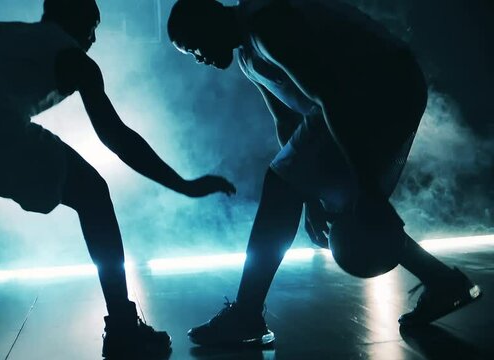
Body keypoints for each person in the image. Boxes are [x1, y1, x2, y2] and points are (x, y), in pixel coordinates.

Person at [0, 0, 237, 358]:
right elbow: (118, 138)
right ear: (78, 21)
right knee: (93, 193)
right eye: (93, 26)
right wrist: (184, 185)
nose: (95, 38)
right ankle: (122, 326)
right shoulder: (75, 60)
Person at [167, 0, 482, 347]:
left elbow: (331, 94)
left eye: (193, 45)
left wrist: (365, 188)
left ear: (208, 19)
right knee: (346, 206)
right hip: (382, 89)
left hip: (383, 86)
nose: (199, 58)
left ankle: (246, 315)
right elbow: (287, 120)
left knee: (289, 186)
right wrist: (314, 196)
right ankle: (444, 282)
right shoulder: (247, 57)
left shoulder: (267, 24)